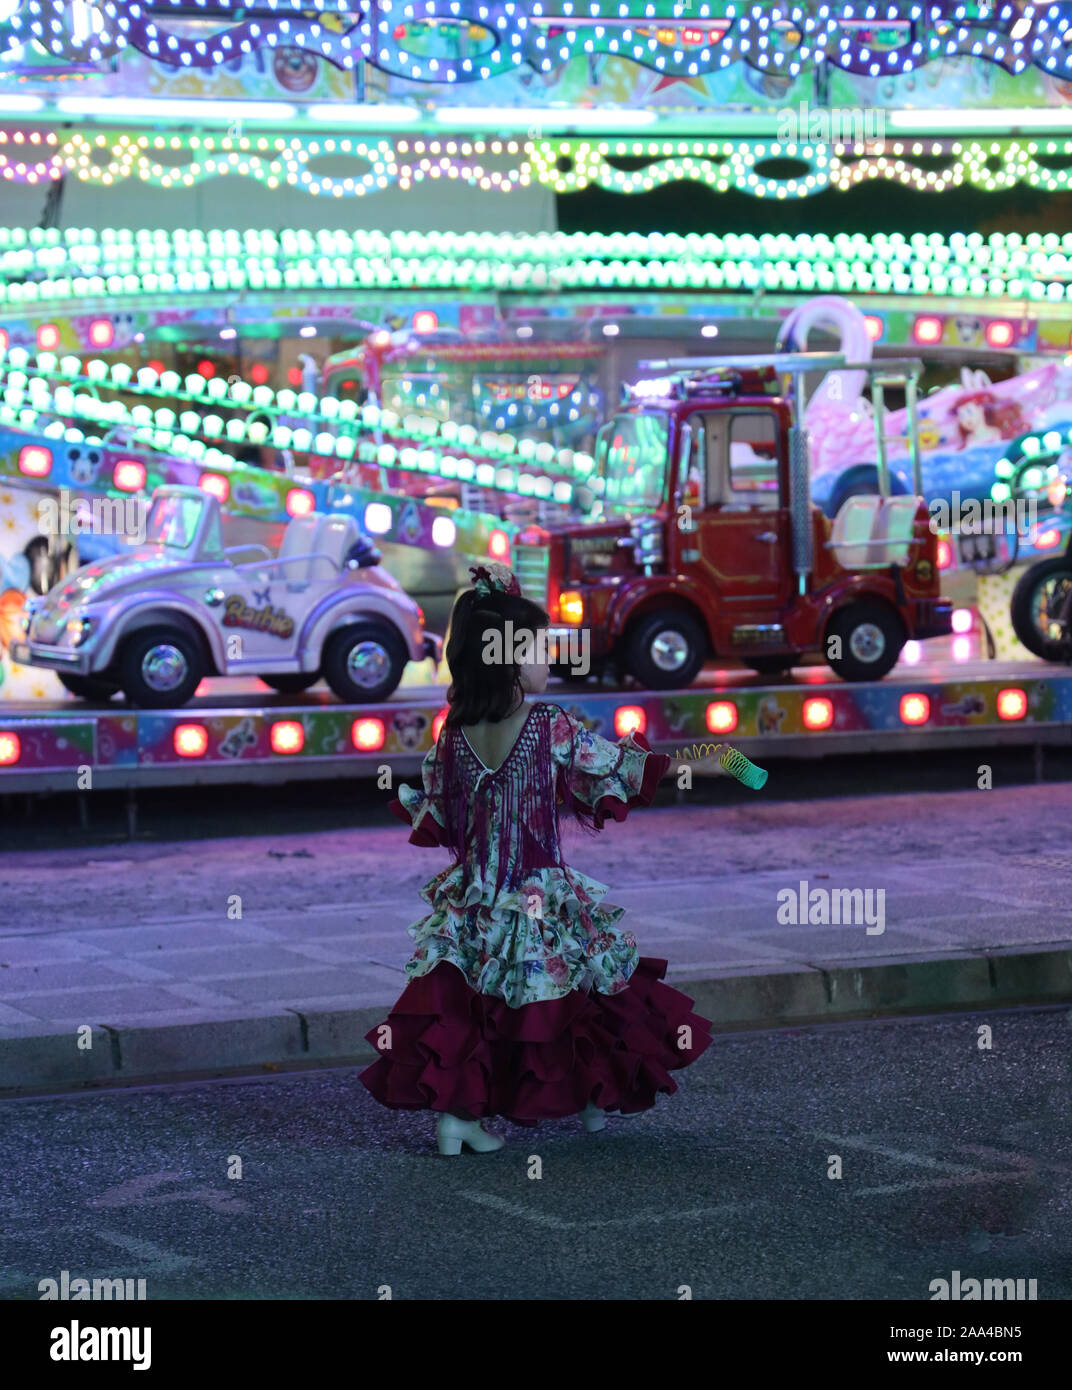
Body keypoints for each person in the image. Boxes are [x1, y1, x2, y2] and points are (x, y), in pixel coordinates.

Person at [358, 561, 732, 1156]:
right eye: (537, 647)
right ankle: (591, 1096)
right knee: (582, 989)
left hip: (474, 900)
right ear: (507, 659)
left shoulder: (452, 738)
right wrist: (714, 759)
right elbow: (616, 768)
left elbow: (445, 818)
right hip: (540, 895)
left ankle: (459, 1120)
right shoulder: (549, 727)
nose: (549, 658)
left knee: (475, 1008)